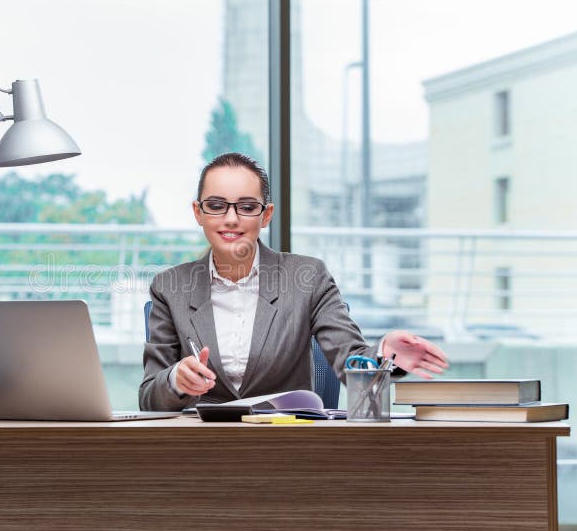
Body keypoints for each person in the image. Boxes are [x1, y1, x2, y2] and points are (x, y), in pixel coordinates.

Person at [139, 152, 448, 411]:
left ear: (267, 215)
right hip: (200, 452)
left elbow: (349, 357)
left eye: (247, 207)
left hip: (287, 447)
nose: (231, 219)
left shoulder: (308, 278)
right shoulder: (170, 287)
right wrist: (175, 379)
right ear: (198, 212)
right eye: (217, 206)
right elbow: (149, 397)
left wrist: (383, 354)